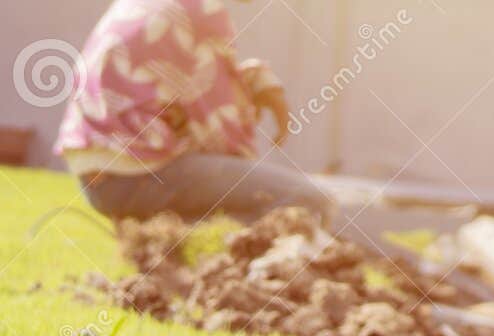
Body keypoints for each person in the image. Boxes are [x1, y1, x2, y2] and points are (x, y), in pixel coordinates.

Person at [55, 0, 337, 224]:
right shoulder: (203, 11)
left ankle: (162, 240)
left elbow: (182, 85)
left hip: (101, 179)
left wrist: (251, 83)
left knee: (253, 197)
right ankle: (178, 245)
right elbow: (223, 140)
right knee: (308, 202)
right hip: (137, 176)